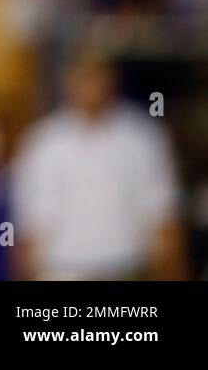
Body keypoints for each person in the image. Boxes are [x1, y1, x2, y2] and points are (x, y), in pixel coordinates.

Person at [10, 50, 186, 280]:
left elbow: (162, 216)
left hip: (128, 271)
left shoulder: (143, 137)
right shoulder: (43, 143)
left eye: (97, 74)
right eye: (83, 75)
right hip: (62, 273)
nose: (91, 84)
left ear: (112, 77)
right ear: (67, 79)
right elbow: (30, 226)